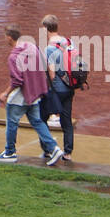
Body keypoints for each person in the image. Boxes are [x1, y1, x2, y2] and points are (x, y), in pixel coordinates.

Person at [0, 26, 65, 165]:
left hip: (20, 97)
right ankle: (53, 148)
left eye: (5, 36)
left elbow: (17, 80)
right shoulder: (32, 47)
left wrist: (5, 94)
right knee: (37, 122)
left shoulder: (13, 57)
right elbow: (44, 65)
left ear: (9, 37)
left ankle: (10, 152)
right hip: (35, 95)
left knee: (12, 122)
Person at [42, 14, 75, 163]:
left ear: (45, 29)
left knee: (42, 118)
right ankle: (68, 153)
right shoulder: (68, 41)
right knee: (66, 121)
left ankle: (48, 150)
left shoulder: (49, 48)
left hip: (57, 89)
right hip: (70, 86)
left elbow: (52, 73)